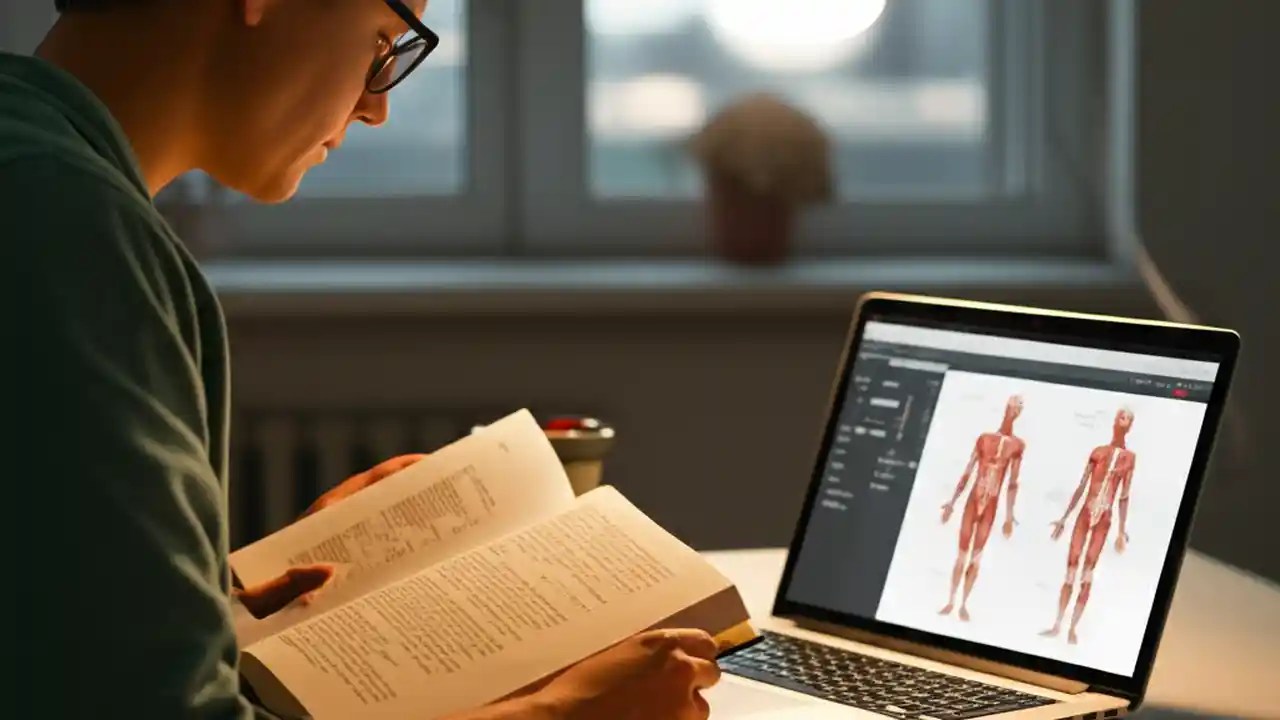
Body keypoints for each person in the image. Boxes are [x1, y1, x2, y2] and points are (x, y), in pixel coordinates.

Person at [2, 0, 720, 717]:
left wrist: (222, 606)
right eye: (383, 42)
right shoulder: (65, 229)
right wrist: (561, 713)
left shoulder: (42, 174)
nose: (375, 108)